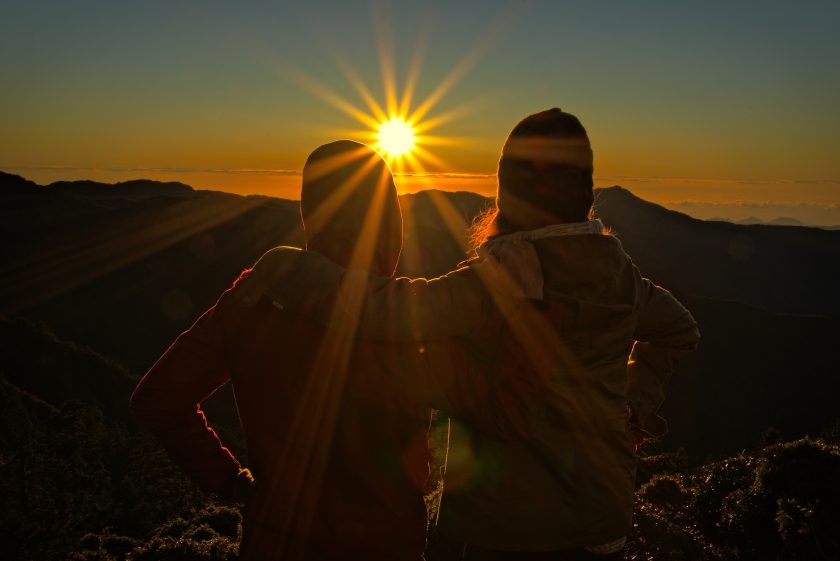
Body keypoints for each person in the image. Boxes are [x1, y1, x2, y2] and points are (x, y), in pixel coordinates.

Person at [235, 109, 701, 559]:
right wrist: (636, 408)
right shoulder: (620, 276)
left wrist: (291, 268)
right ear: (586, 191)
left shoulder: (504, 279)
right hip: (603, 517)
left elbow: (393, 311)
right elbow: (680, 330)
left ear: (507, 195)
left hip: (507, 523)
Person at [130, 140, 544, 561]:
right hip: (383, 543)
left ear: (312, 213)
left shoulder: (252, 298)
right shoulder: (409, 321)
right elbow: (504, 413)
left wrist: (231, 481)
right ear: (388, 222)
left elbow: (159, 398)